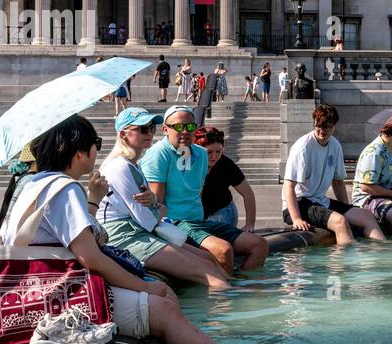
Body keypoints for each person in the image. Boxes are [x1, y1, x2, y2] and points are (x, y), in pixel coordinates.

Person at [0, 114, 226, 344]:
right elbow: (90, 257)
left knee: (162, 294)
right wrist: (143, 287)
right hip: (61, 294)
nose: (98, 150)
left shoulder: (34, 182)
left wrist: (93, 199)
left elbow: (72, 235)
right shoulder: (65, 188)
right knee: (164, 304)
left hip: (35, 290)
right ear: (78, 153)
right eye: (95, 143)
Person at [97, 108, 230, 291]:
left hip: (137, 231)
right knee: (208, 272)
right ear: (123, 134)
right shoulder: (120, 167)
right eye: (142, 129)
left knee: (208, 259)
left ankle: (228, 301)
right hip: (124, 236)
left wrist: (155, 207)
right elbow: (148, 219)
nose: (150, 133)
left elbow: (152, 212)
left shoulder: (132, 165)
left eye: (151, 127)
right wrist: (158, 208)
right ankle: (226, 314)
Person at [142, 105, 268, 274]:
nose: (185, 131)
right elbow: (156, 204)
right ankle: (224, 294)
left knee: (259, 245)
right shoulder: (158, 154)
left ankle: (239, 286)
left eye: (190, 126)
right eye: (178, 126)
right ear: (165, 129)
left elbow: (197, 193)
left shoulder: (201, 154)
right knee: (223, 250)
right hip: (174, 223)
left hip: (199, 222)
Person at [281, 103, 383, 245]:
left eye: (327, 127)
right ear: (314, 124)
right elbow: (288, 186)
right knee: (340, 222)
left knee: (366, 216)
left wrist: (347, 209)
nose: (322, 131)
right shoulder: (302, 147)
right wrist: (297, 219)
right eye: (319, 126)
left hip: (320, 201)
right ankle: (343, 265)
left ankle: (382, 256)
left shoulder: (335, 146)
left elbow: (338, 182)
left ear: (334, 126)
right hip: (299, 204)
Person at [195, 127, 257, 233]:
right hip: (198, 213)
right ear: (198, 150)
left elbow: (248, 193)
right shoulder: (188, 163)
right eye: (208, 152)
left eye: (218, 151)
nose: (214, 156)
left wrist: (250, 224)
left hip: (222, 212)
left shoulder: (226, 164)